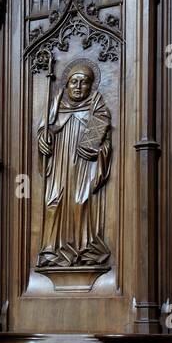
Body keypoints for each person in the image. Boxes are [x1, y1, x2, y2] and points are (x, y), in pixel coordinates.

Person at [37, 61, 112, 268]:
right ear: (67, 84)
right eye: (74, 82)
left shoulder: (96, 103)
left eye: (84, 82)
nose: (78, 87)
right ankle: (52, 250)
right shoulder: (57, 101)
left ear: (91, 86)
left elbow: (101, 129)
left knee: (81, 202)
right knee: (53, 202)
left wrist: (90, 145)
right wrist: (44, 140)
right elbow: (46, 129)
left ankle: (83, 249)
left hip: (83, 166)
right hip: (60, 163)